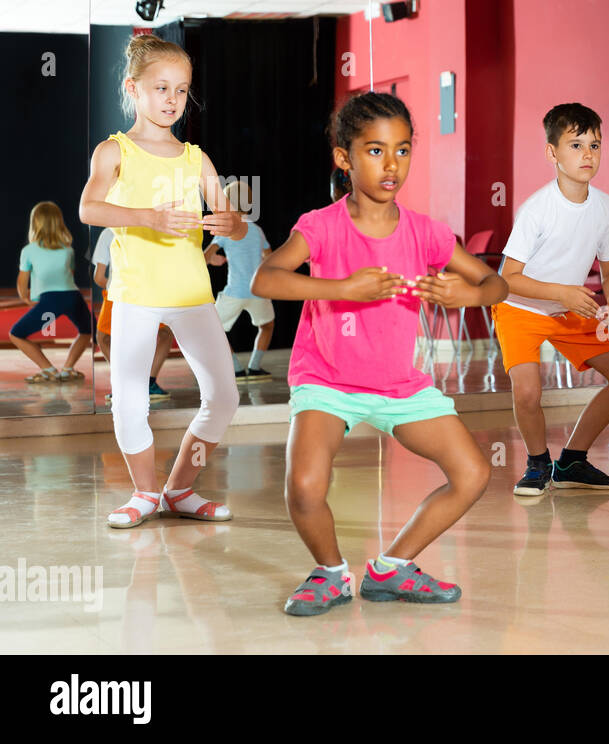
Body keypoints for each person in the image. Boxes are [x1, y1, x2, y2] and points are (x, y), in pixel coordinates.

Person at [251, 92, 507, 616]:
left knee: (474, 473)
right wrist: (341, 288)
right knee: (303, 486)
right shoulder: (321, 226)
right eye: (374, 151)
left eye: (403, 150)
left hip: (398, 384)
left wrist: (472, 295)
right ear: (344, 158)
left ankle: (391, 569)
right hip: (327, 379)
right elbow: (266, 279)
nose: (391, 165)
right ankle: (329, 574)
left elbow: (494, 282)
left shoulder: (427, 233)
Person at [79, 34, 244, 529]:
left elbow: (233, 219)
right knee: (129, 397)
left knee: (225, 395)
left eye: (181, 90)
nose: (172, 100)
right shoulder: (115, 151)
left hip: (193, 295)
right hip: (136, 296)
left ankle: (178, 490)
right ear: (134, 88)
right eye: (161, 88)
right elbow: (89, 208)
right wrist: (148, 216)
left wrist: (228, 222)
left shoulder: (197, 158)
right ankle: (144, 493)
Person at [495, 102, 609, 496]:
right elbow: (507, 279)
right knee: (527, 391)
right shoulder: (536, 210)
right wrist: (561, 293)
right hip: (520, 308)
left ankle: (572, 460)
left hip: (570, 308)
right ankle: (538, 463)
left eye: (594, 145)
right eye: (575, 145)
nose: (587, 154)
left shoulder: (607, 210)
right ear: (552, 153)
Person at [9, 202, 94, 384]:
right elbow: (69, 275)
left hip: (51, 300)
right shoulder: (67, 249)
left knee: (16, 334)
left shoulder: (29, 251)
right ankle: (68, 368)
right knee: (88, 331)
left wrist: (25, 297)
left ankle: (48, 369)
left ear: (35, 223)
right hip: (73, 296)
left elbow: (22, 281)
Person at [91, 227, 174, 401]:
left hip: (119, 294)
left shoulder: (109, 233)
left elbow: (99, 277)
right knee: (165, 333)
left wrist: (114, 284)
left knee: (104, 337)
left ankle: (127, 383)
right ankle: (148, 382)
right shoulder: (153, 228)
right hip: (149, 292)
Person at [204, 180, 275, 381]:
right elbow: (269, 258)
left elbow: (206, 256)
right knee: (267, 326)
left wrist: (213, 260)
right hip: (258, 292)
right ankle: (254, 367)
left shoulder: (226, 230)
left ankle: (235, 368)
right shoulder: (257, 230)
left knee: (215, 330)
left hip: (234, 292)